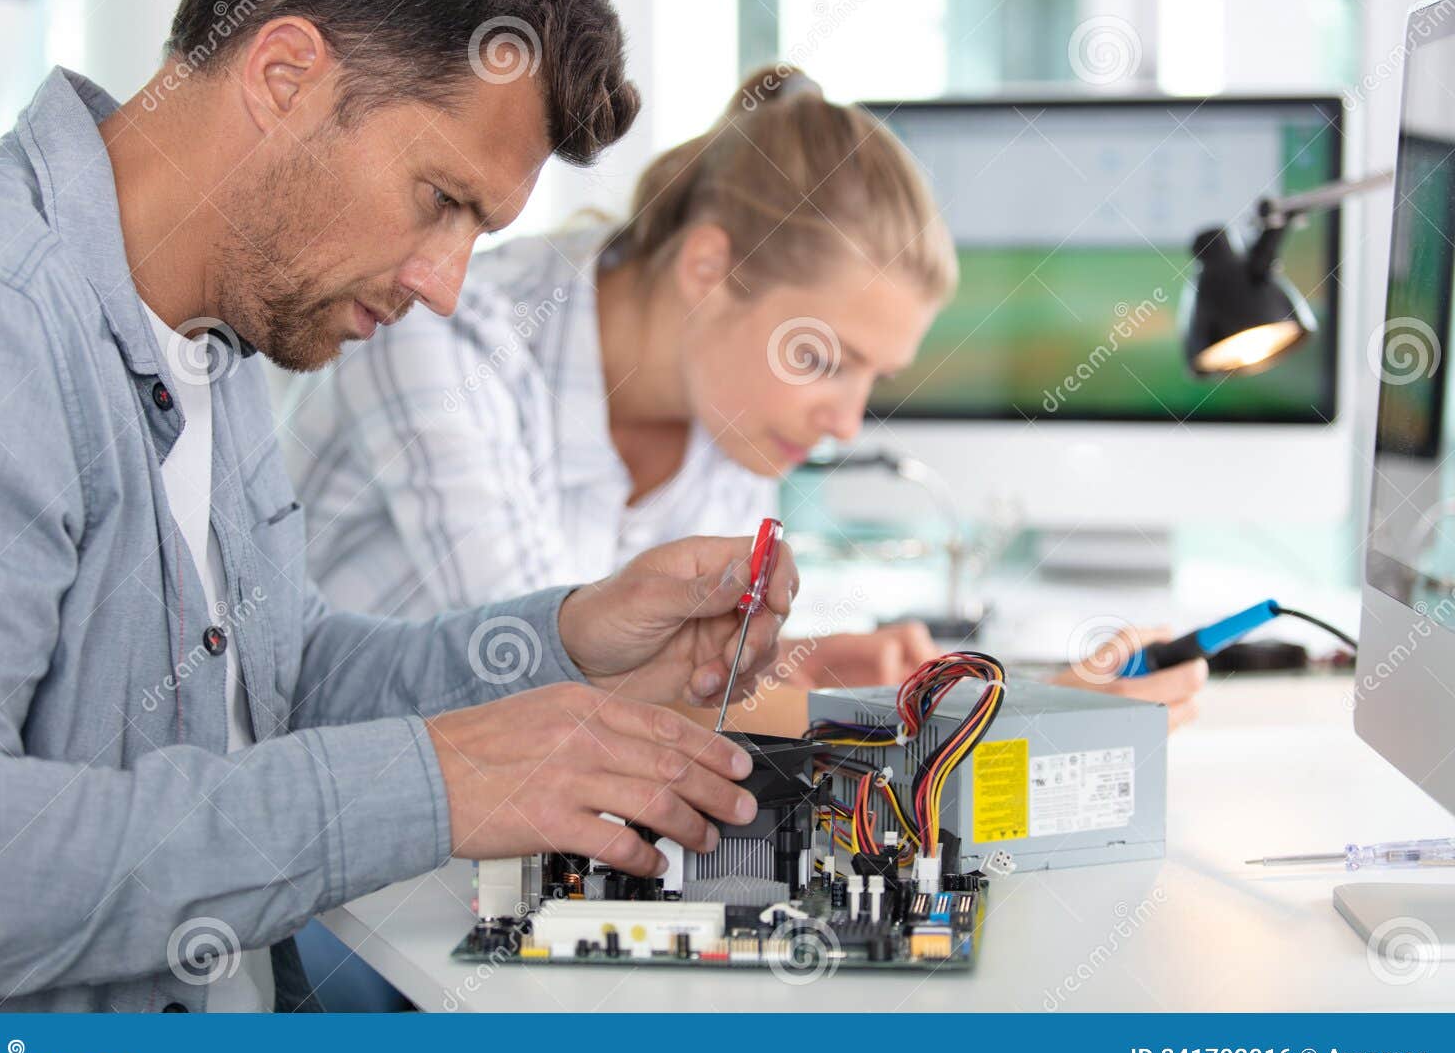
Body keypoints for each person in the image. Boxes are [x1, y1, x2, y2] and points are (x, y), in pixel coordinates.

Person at [0, 0, 797, 1014]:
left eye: (477, 231)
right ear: (285, 76)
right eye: (438, 199)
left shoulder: (222, 314)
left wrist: (571, 640)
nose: (445, 287)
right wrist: (431, 782)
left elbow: (280, 684)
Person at [285, 70, 1206, 728]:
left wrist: (822, 674)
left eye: (872, 378)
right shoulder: (441, 338)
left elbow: (691, 688)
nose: (847, 421)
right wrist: (1018, 721)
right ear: (708, 268)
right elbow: (542, 694)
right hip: (345, 922)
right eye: (823, 358)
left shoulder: (731, 422)